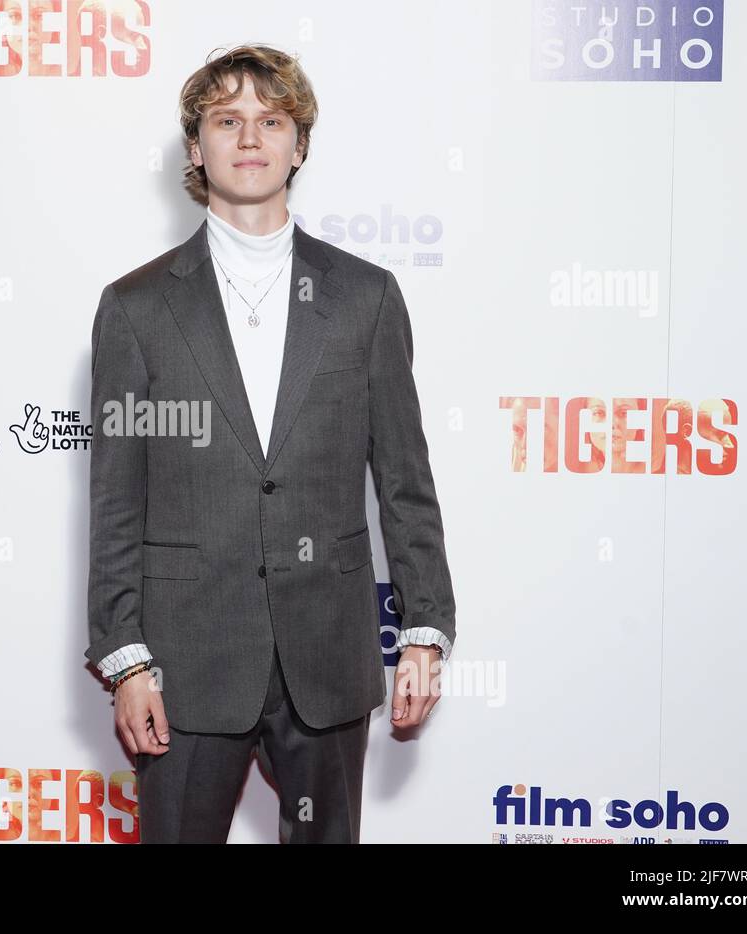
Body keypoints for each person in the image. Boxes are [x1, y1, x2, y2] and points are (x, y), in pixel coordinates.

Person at [85, 44, 457, 843]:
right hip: (184, 663)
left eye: (271, 119)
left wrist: (425, 627)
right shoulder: (136, 309)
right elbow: (116, 500)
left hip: (326, 654)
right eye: (227, 120)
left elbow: (405, 480)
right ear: (196, 146)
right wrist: (124, 656)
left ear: (299, 143)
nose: (249, 137)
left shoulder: (366, 298)